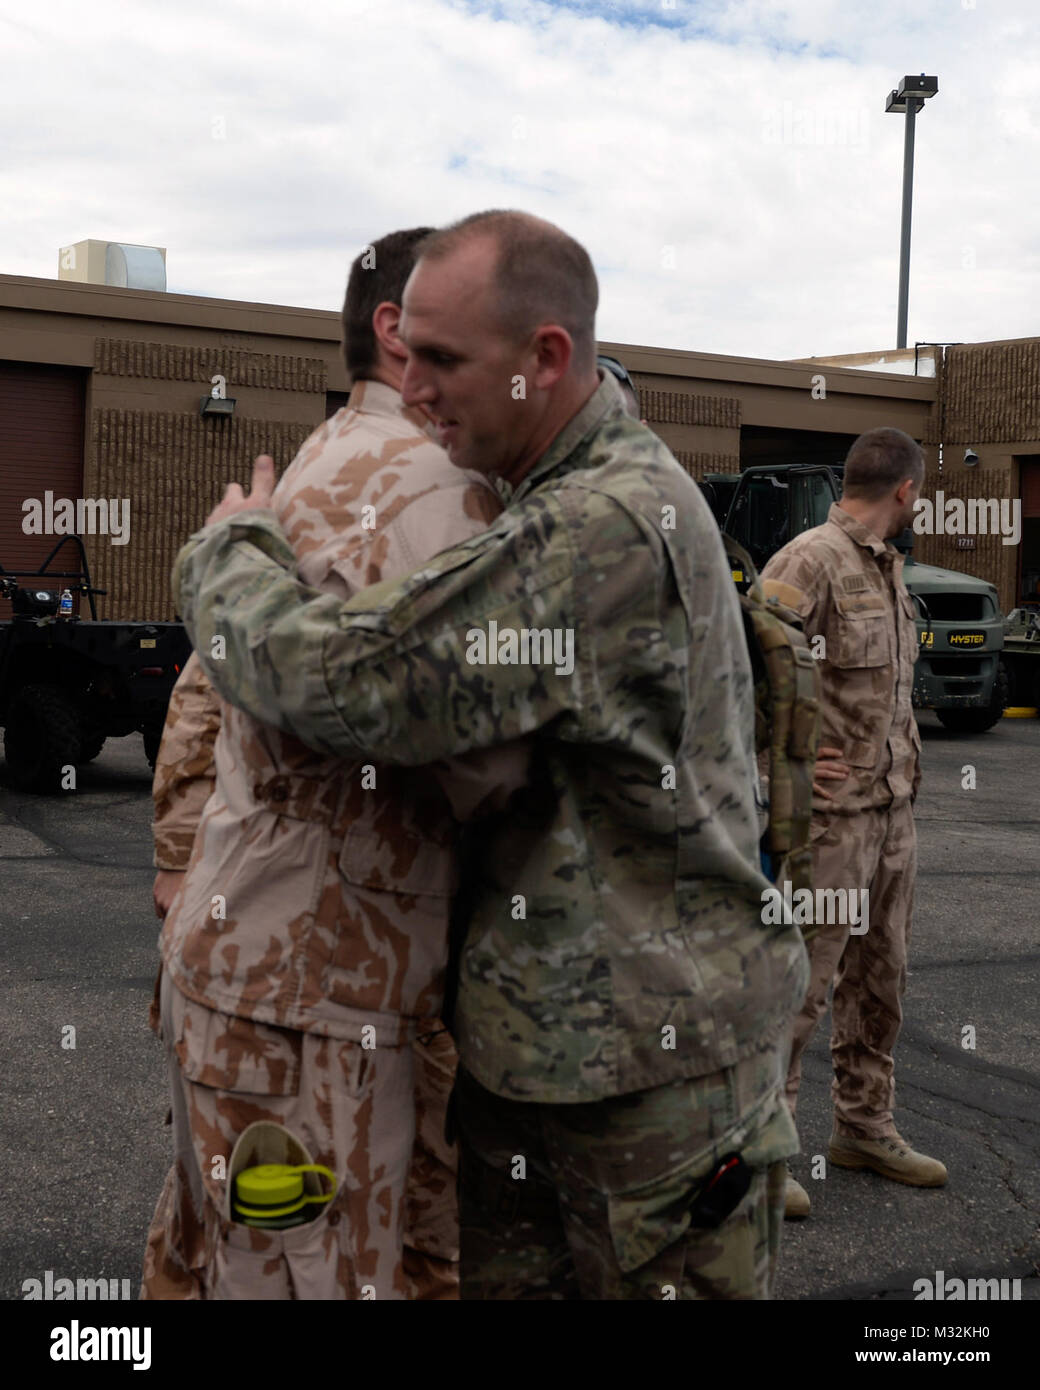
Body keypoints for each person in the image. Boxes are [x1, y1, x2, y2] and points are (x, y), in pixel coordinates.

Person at [171, 209, 810, 1300]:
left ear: (544, 358)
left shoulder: (601, 522)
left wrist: (222, 551)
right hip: (544, 1064)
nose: (411, 389)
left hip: (642, 1089)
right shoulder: (540, 494)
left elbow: (361, 681)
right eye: (406, 353)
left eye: (442, 361)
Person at [141, 225, 527, 1300]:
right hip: (319, 988)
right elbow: (488, 763)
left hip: (259, 966)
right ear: (399, 333)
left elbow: (209, 686)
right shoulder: (427, 487)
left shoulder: (318, 461)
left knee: (220, 1259)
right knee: (317, 1279)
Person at [760, 426, 947, 1220]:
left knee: (882, 981)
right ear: (905, 491)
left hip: (892, 814)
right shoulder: (809, 559)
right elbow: (745, 666)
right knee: (800, 989)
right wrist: (782, 769)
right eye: (921, 493)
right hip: (829, 824)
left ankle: (864, 1127)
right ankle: (762, 1157)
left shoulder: (890, 569)